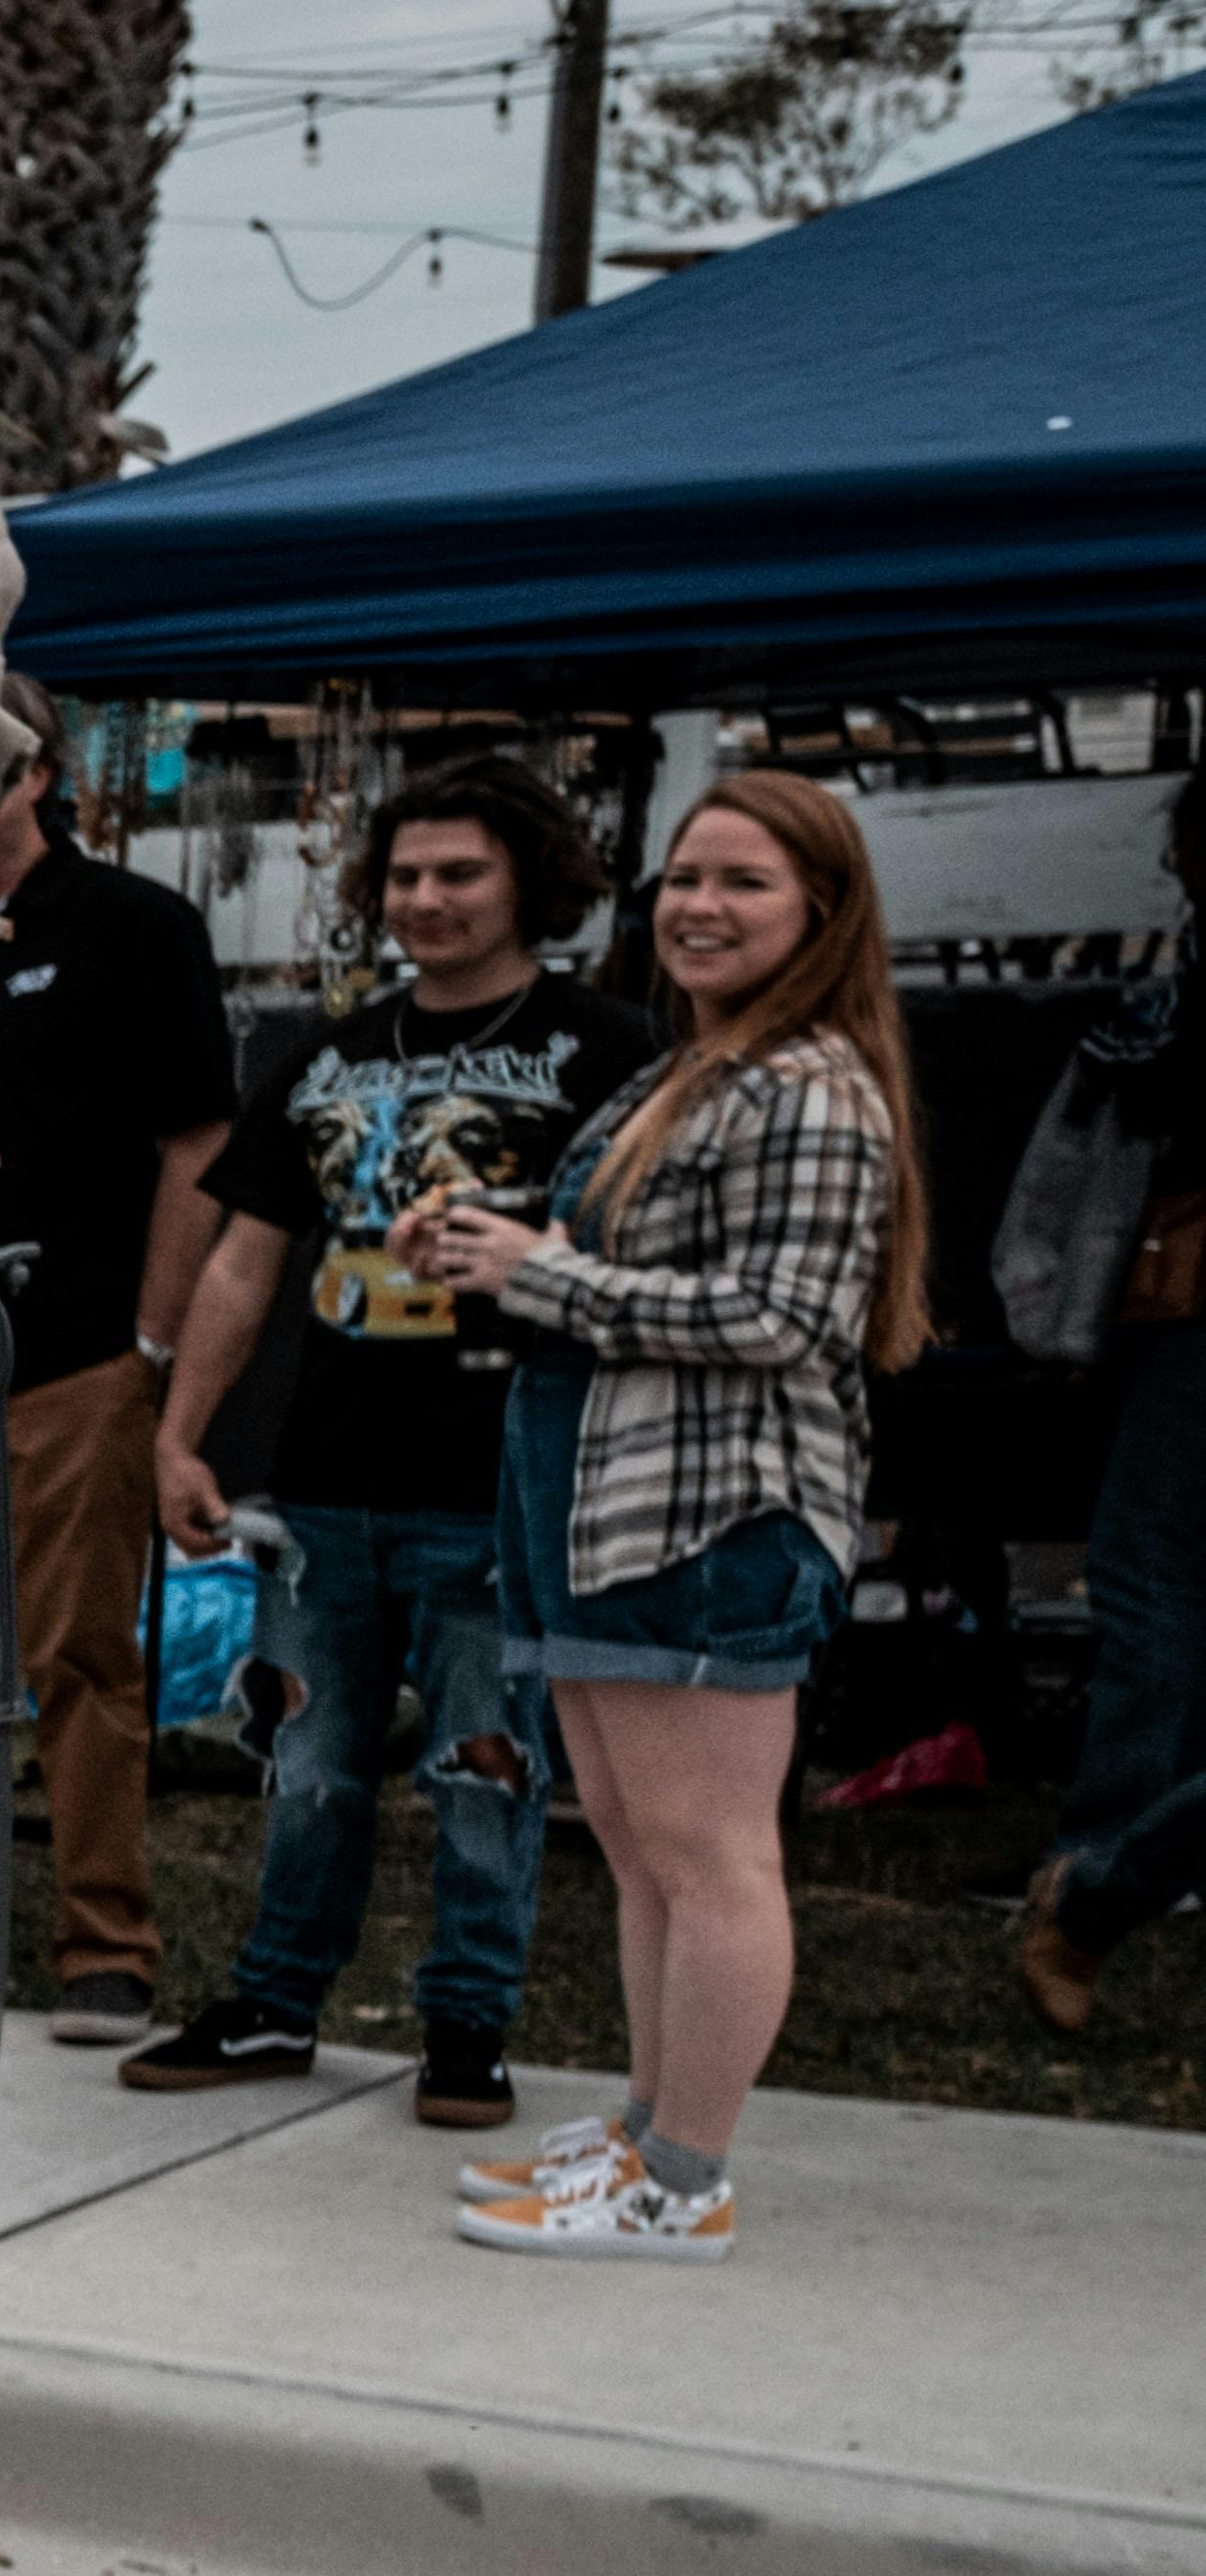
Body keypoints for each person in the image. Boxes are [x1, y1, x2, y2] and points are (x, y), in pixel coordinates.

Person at [422, 773, 925, 2261]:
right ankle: (651, 2129)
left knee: (712, 1859)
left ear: (822, 916)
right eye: (684, 878)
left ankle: (686, 2180)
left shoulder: (810, 1087)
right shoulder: (693, 1070)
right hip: (598, 1508)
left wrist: (540, 1275)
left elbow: (784, 1317)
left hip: (710, 1519)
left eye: (745, 884)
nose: (698, 907)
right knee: (643, 1855)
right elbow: (618, 1265)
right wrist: (483, 1244)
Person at [119, 762, 656, 2128]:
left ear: (529, 879)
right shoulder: (329, 1053)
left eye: (458, 873)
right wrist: (180, 1437)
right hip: (326, 1485)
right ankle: (275, 2005)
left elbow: (648, 1260)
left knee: (487, 1768)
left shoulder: (613, 1052)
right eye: (405, 877)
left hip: (505, 1485)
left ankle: (467, 2029)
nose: (424, 900)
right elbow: (245, 1262)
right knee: (305, 1765)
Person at [0, 680, 242, 2048]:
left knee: (81, 1659)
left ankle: (102, 1948)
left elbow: (199, 1142)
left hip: (74, 1348)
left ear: (37, 771)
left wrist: (151, 1339)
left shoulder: (132, 925)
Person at [1005, 766, 1206, 2030]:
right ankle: (1102, 1879)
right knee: (1151, 1586)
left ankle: (1105, 1877)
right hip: (1187, 1336)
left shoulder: (1168, 1006)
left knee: (1151, 1585)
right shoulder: (1167, 1007)